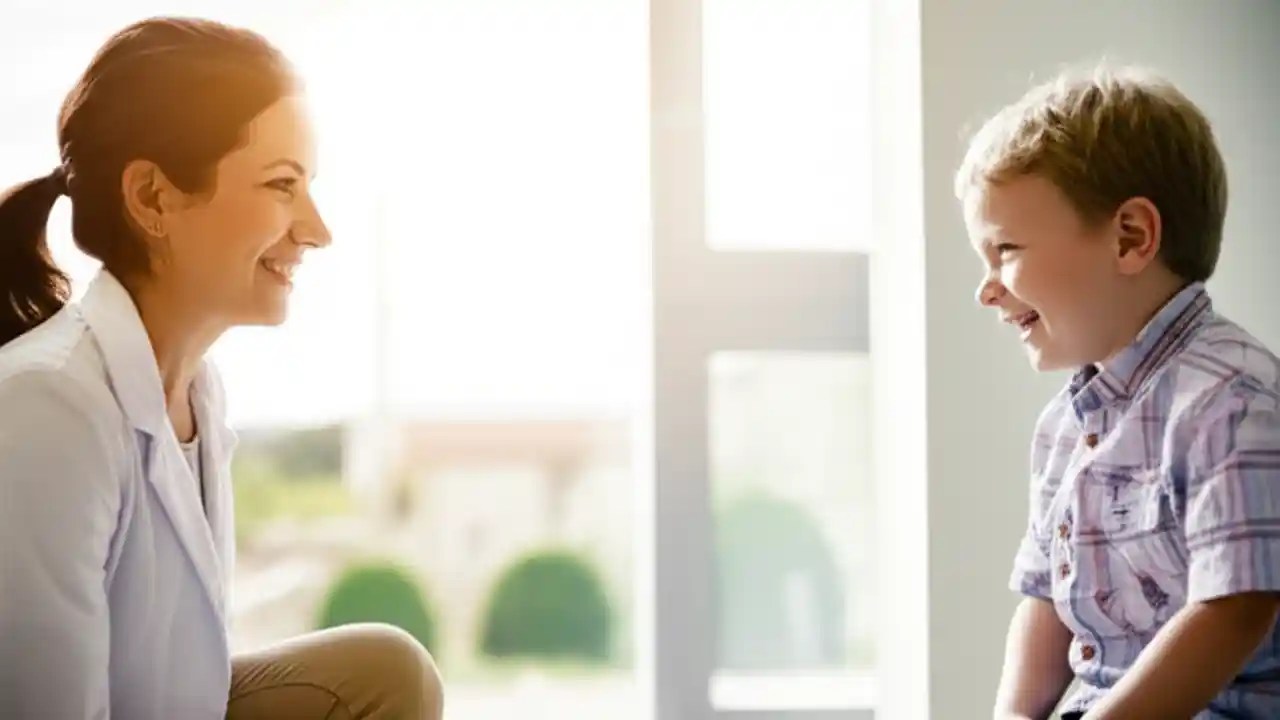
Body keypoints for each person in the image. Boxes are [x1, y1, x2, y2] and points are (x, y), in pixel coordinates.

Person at [0, 17, 443, 719]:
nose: (317, 230)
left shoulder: (199, 394)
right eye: (281, 185)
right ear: (152, 198)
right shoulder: (48, 406)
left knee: (388, 671)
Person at [958, 65, 1280, 719]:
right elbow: (1045, 599)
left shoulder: (1232, 401)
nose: (985, 289)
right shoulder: (1064, 428)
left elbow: (1236, 606)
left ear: (1131, 238)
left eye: (1006, 250)